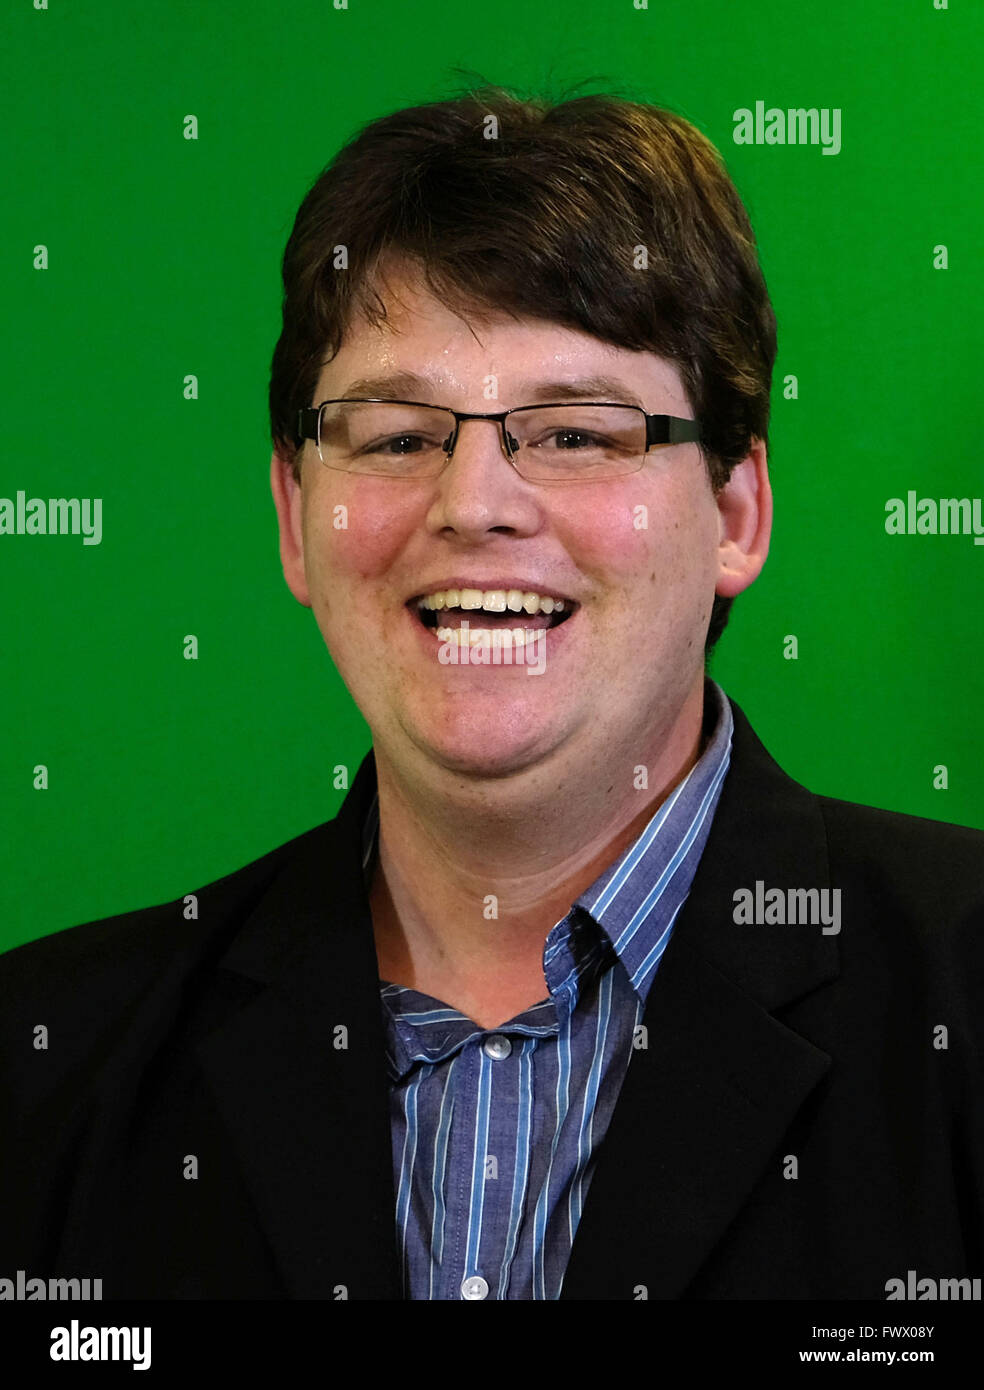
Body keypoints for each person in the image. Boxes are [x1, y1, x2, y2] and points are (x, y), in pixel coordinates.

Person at [1, 84, 982, 1303]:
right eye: (397, 434)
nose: (473, 503)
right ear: (296, 519)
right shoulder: (41, 1066)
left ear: (736, 514)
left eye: (576, 432)